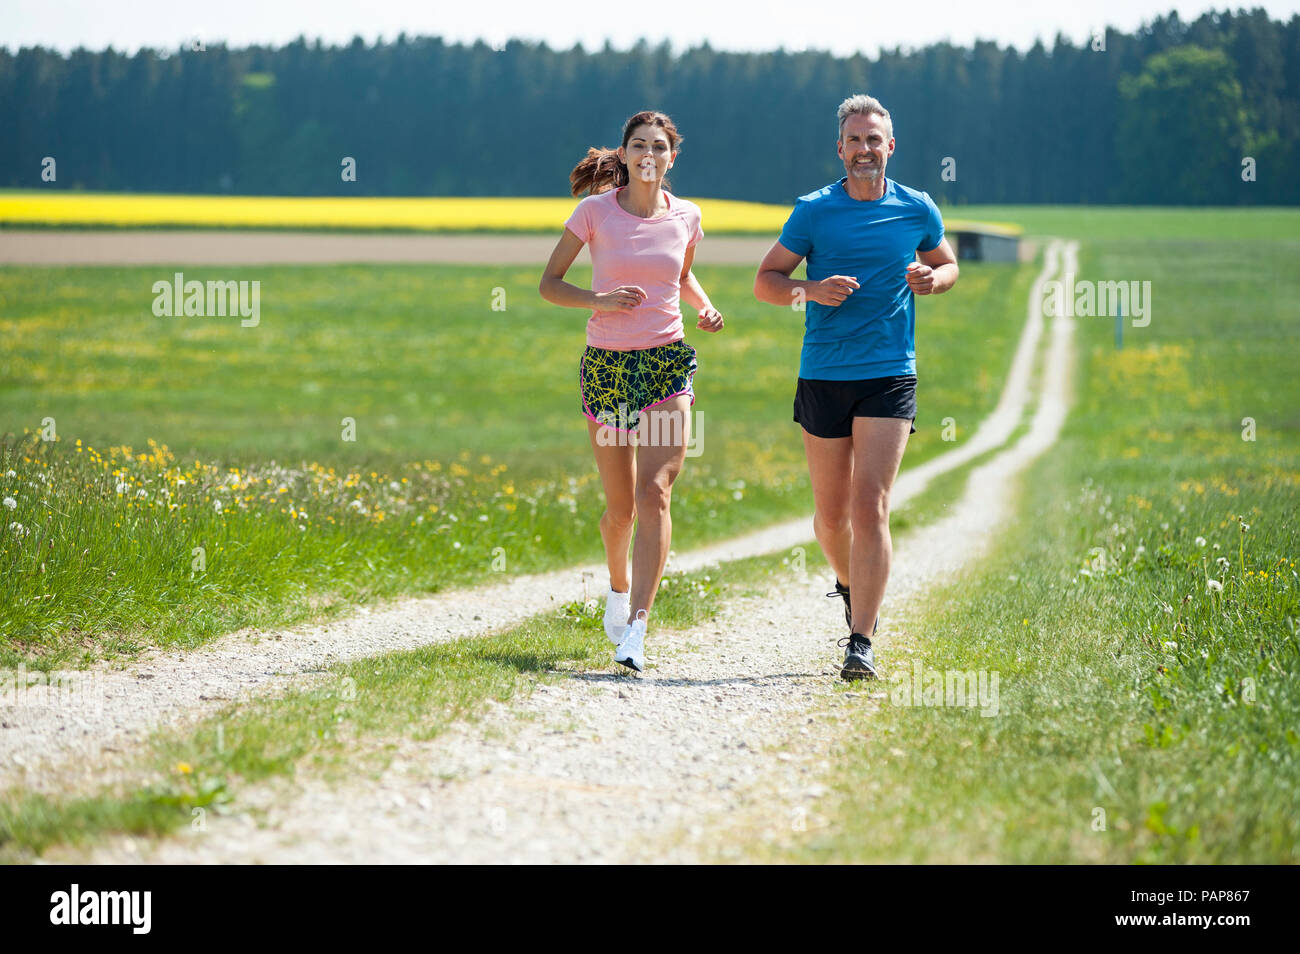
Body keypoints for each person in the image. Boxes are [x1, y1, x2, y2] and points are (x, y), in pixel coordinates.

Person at [753, 94, 958, 681]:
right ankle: (848, 582)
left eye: (874, 140)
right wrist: (809, 291)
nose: (864, 150)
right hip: (823, 373)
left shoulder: (916, 208)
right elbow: (766, 282)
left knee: (871, 506)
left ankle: (860, 641)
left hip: (889, 372)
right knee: (829, 518)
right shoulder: (814, 212)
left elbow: (948, 264)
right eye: (854, 140)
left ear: (890, 147)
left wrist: (933, 280)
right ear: (839, 149)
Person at [539, 110, 724, 673]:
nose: (650, 153)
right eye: (639, 145)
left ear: (673, 157)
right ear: (623, 155)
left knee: (656, 494)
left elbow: (680, 274)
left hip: (667, 365)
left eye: (660, 146)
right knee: (620, 511)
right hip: (609, 369)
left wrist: (705, 306)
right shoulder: (594, 212)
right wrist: (599, 301)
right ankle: (618, 589)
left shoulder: (688, 216)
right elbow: (549, 284)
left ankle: (638, 629)